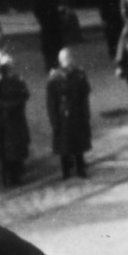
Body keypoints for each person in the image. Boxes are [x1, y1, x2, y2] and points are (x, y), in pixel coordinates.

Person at [0, 54, 31, 187]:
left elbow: (24, 95)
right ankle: (8, 176)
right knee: (6, 152)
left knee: (14, 151)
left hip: (14, 120)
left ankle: (14, 175)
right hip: (3, 120)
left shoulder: (16, 80)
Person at [46, 47, 92, 180]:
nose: (68, 62)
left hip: (77, 112)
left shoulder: (79, 74)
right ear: (61, 61)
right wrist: (54, 120)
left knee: (79, 142)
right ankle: (65, 169)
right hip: (63, 115)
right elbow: (51, 102)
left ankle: (80, 167)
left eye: (69, 58)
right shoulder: (54, 78)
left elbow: (85, 94)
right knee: (64, 144)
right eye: (65, 59)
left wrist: (86, 114)